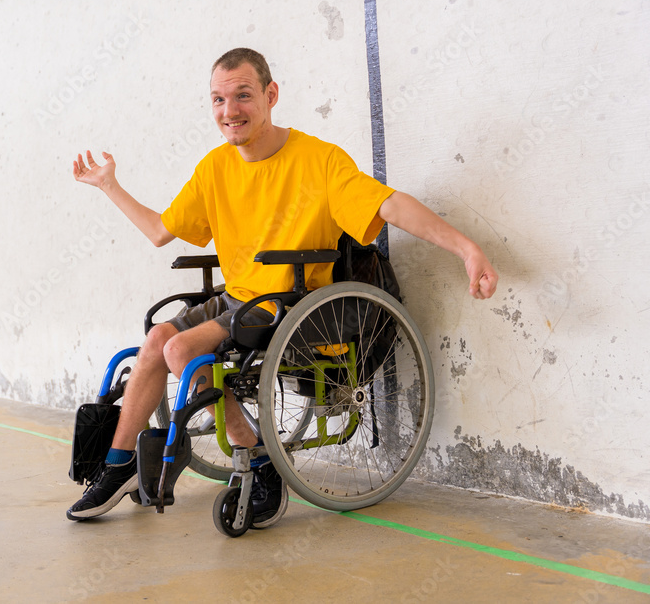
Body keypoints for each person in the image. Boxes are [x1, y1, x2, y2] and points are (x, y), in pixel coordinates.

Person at [67, 47, 498, 524]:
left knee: (181, 351)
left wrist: (466, 248)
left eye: (243, 96)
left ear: (271, 95)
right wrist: (109, 185)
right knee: (156, 340)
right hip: (238, 299)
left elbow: (391, 206)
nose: (230, 111)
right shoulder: (215, 168)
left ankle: (259, 459)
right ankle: (119, 462)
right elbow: (158, 232)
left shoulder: (319, 160)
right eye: (218, 100)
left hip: (290, 304)